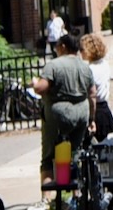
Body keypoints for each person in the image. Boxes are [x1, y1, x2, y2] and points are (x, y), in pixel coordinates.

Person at [37, 31, 97, 186]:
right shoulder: (84, 67)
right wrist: (91, 119)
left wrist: (35, 83)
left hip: (58, 114)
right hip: (82, 112)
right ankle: (74, 192)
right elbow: (92, 95)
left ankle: (48, 197)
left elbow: (41, 88)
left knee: (49, 156)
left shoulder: (54, 65)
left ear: (63, 46)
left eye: (56, 46)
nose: (56, 49)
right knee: (73, 154)